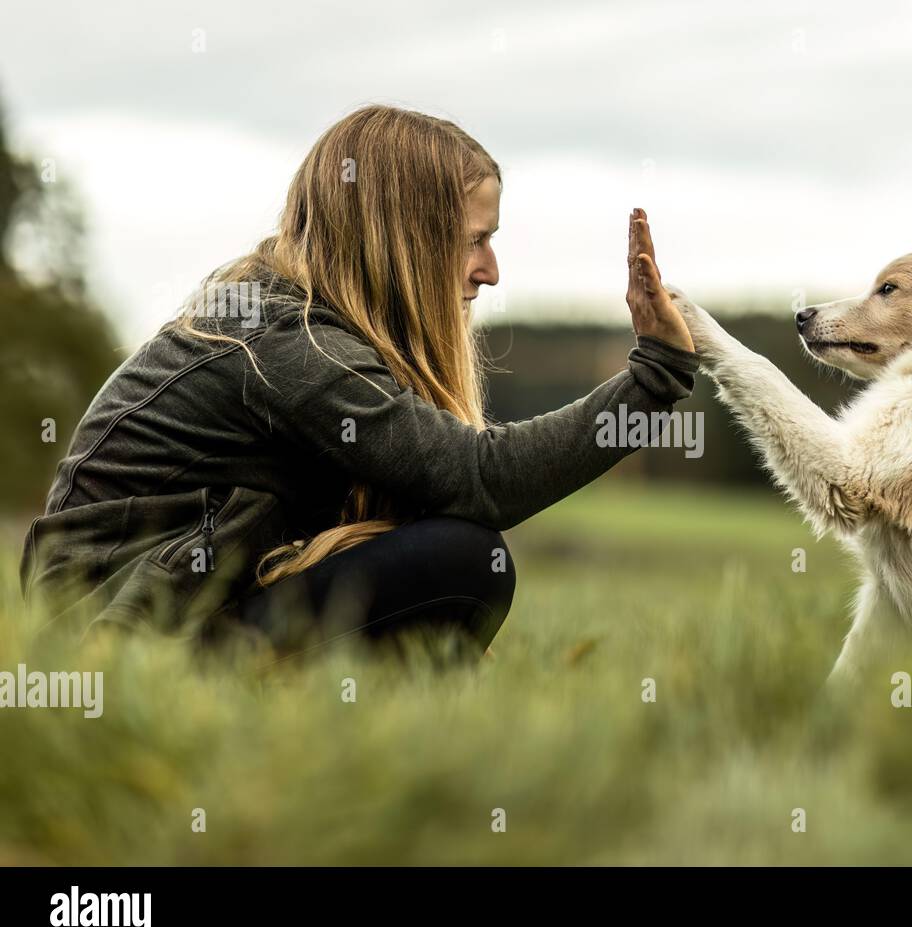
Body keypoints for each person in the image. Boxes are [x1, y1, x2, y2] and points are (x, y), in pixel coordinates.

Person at [20, 105, 697, 661]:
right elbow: (479, 478)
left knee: (443, 551)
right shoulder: (285, 343)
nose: (490, 270)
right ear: (402, 237)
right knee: (458, 561)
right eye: (473, 240)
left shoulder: (291, 318)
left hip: (162, 620)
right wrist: (655, 379)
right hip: (120, 647)